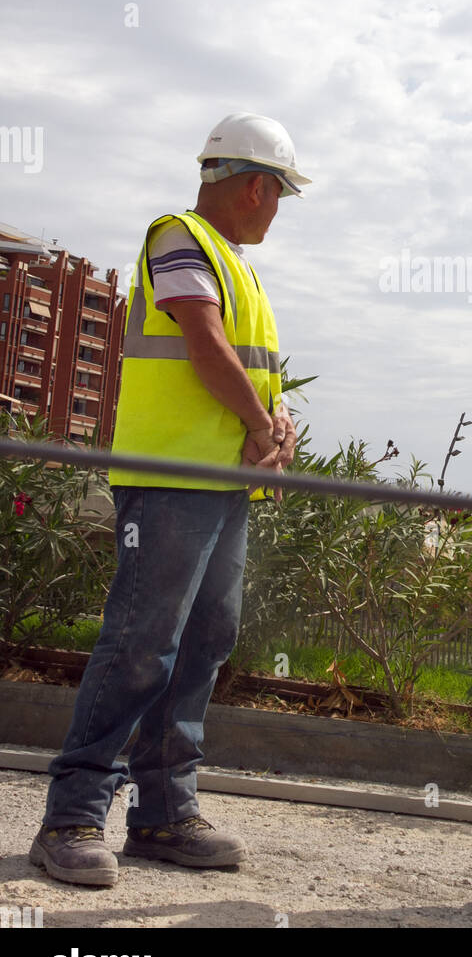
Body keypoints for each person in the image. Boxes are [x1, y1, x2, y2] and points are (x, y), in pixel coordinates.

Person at [30, 111, 310, 887]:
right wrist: (261, 426)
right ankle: (72, 817)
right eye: (281, 195)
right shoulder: (177, 236)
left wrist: (276, 428)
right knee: (140, 641)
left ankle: (161, 814)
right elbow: (202, 341)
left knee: (202, 641)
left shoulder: (238, 263)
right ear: (258, 187)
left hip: (219, 485)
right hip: (168, 482)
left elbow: (249, 368)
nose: (279, 210)